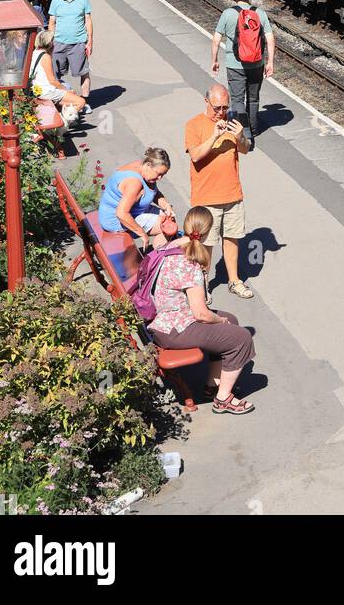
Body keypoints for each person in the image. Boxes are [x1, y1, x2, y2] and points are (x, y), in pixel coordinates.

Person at [147, 205, 255, 414]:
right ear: (207, 232)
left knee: (231, 319)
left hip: (164, 320)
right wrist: (219, 321)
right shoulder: (190, 263)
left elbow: (158, 240)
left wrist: (165, 227)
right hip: (174, 329)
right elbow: (201, 314)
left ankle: (212, 386)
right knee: (241, 338)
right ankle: (223, 399)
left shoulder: (167, 247)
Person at [185, 83, 253, 299]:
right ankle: (202, 284)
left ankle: (234, 280)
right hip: (207, 196)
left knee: (232, 238)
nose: (222, 112)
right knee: (206, 243)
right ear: (207, 102)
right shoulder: (194, 125)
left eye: (225, 107)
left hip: (232, 193)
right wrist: (214, 136)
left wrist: (241, 137)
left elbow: (245, 149)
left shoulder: (232, 122)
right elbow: (195, 155)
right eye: (217, 108)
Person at [211, 0, 275, 148]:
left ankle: (245, 134)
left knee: (237, 100)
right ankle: (253, 130)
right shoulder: (259, 13)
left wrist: (215, 60)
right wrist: (270, 63)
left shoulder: (228, 14)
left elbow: (216, 39)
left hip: (235, 65)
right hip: (256, 64)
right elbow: (270, 39)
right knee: (253, 99)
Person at [97, 148, 175, 247]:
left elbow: (153, 192)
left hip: (131, 210)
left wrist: (166, 205)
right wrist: (142, 234)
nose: (160, 178)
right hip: (115, 220)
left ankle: (162, 253)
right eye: (158, 173)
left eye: (163, 175)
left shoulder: (142, 166)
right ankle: (159, 259)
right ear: (148, 165)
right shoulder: (134, 183)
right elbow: (121, 214)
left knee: (169, 218)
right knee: (169, 227)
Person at [47, 0, 93, 102]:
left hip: (78, 43)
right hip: (59, 43)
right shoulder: (56, 1)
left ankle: (85, 101)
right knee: (54, 74)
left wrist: (90, 41)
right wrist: (51, 41)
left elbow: (88, 20)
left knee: (84, 72)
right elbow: (52, 22)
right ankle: (59, 101)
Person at [29, 28, 90, 123]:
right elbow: (52, 81)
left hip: (37, 88)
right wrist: (67, 91)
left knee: (67, 95)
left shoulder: (34, 53)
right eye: (53, 41)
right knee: (80, 102)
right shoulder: (46, 57)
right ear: (49, 43)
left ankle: (60, 117)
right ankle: (62, 122)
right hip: (46, 91)